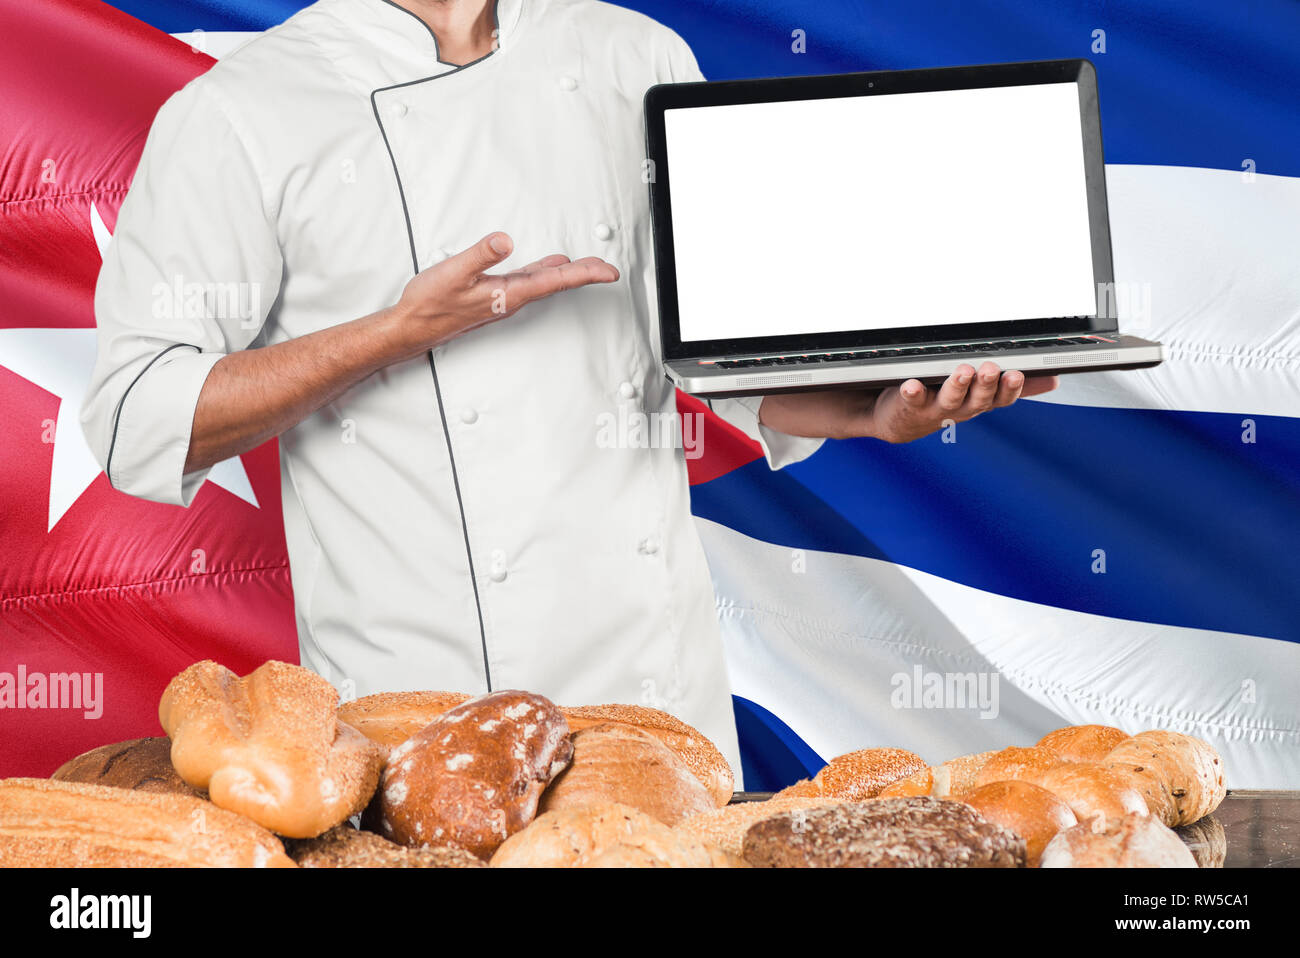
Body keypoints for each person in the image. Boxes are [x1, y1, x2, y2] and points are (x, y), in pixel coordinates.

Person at [82, 0, 1055, 777]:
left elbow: (708, 357)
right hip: (419, 727)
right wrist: (393, 333)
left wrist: (874, 410)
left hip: (657, 708)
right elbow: (138, 415)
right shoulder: (244, 110)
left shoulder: (635, 55)